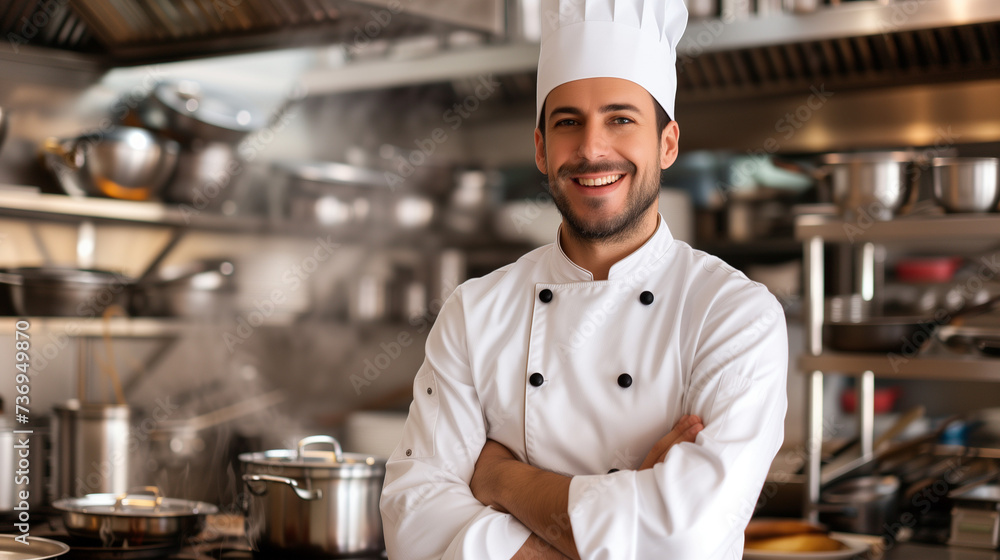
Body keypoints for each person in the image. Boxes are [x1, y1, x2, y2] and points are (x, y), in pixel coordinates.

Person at [379, 0, 788, 557]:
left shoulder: (733, 312)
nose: (592, 150)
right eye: (568, 122)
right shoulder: (474, 312)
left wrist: (500, 480)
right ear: (543, 149)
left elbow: (685, 537)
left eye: (620, 119)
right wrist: (624, 517)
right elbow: (412, 521)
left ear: (667, 144)